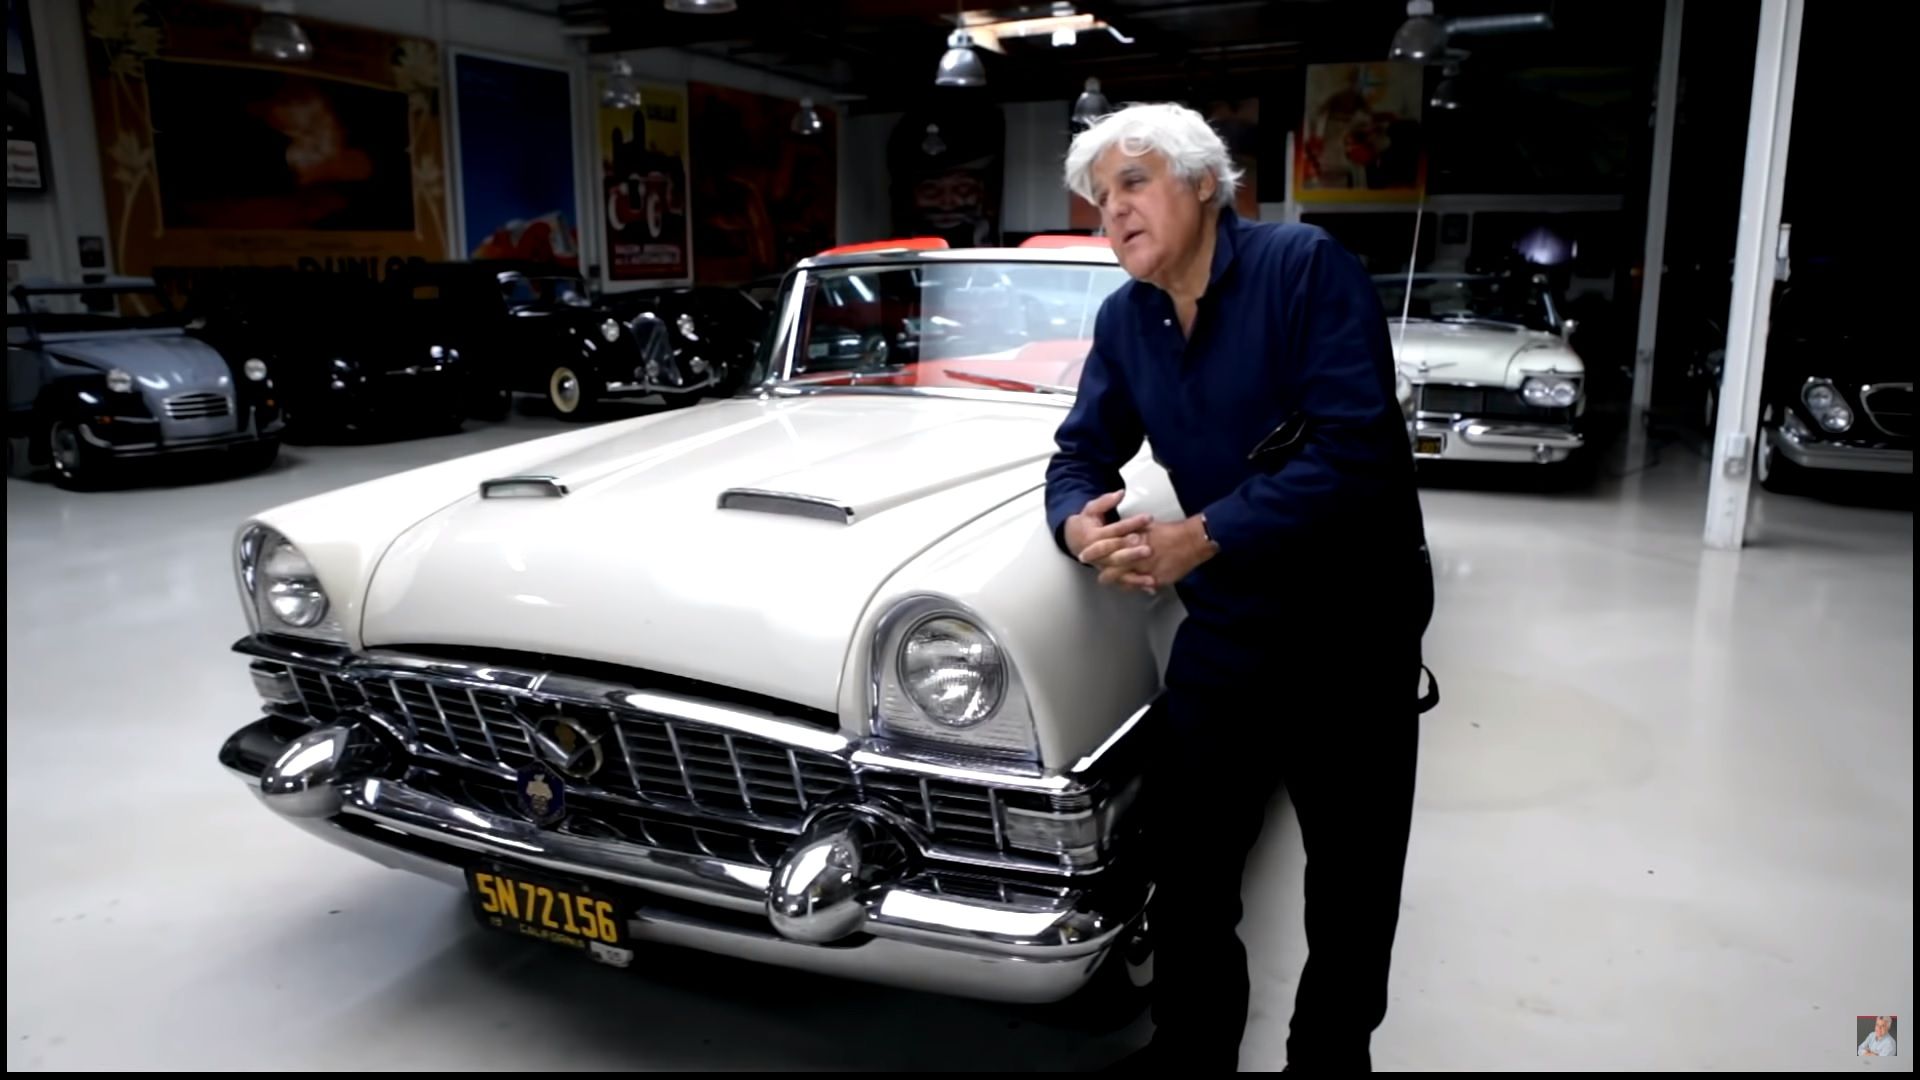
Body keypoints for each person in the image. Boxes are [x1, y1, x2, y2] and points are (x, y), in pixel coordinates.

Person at [1044, 103, 1433, 1071]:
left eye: (1134, 183)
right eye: (1101, 199)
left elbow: (1360, 456)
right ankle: (1193, 1047)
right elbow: (1081, 449)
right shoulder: (1127, 319)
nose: (1114, 213)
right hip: (1228, 631)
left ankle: (1330, 1058)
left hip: (1350, 632)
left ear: (1205, 183)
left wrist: (1202, 535)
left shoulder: (1305, 272)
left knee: (1349, 888)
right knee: (1192, 870)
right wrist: (1077, 517)